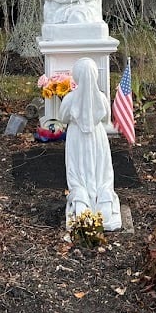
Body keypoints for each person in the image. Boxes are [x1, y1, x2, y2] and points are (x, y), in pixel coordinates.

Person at [58, 58, 122, 231]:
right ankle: (104, 201)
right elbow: (105, 117)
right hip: (97, 137)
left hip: (77, 137)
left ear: (77, 77)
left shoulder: (70, 99)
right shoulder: (100, 97)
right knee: (100, 168)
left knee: (77, 169)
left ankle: (81, 203)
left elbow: (63, 118)